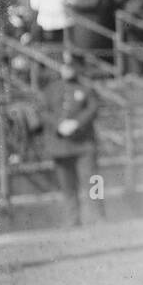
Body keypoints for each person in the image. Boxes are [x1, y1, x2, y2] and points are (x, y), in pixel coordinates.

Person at [39, 63, 103, 226]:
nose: (68, 70)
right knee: (67, 186)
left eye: (71, 66)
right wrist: (58, 124)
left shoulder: (86, 88)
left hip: (84, 144)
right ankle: (72, 219)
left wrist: (77, 123)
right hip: (60, 145)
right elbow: (42, 111)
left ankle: (98, 216)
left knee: (94, 181)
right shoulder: (51, 89)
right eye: (64, 66)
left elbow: (93, 108)